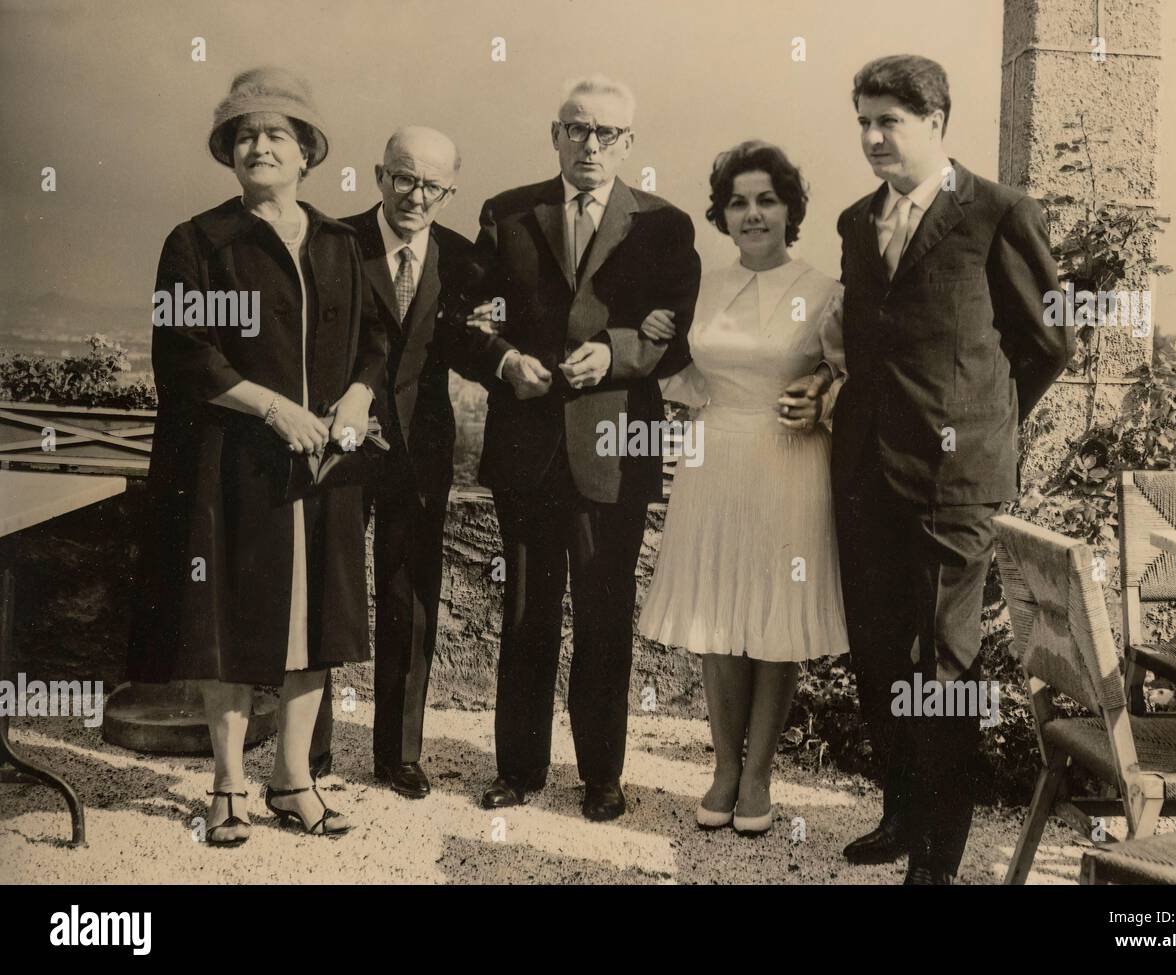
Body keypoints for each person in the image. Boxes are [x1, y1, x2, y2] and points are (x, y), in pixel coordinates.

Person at [819, 55, 1073, 882]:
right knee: (881, 653)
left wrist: (978, 428)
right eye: (863, 119)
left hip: (953, 485)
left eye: (888, 120)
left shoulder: (999, 214)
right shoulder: (858, 222)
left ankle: (937, 858)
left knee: (944, 666)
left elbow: (1050, 343)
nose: (872, 136)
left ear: (936, 121)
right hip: (861, 471)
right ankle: (899, 812)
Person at [129, 67, 386, 843]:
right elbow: (184, 353)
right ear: (228, 154)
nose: (260, 146)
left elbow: (377, 339)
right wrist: (273, 408)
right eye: (245, 135)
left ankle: (293, 780)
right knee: (232, 625)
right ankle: (229, 785)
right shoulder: (201, 241)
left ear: (307, 151)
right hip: (231, 470)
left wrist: (360, 396)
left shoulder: (341, 243)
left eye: (276, 133)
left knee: (315, 629)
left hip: (321, 472)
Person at [456, 76, 701, 821]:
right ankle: (520, 769)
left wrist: (617, 354)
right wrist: (504, 359)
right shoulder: (506, 214)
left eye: (606, 134)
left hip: (616, 446)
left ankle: (601, 775)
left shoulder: (663, 224)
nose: (590, 145)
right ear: (553, 133)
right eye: (577, 129)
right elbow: (471, 315)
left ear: (629, 143)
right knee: (528, 610)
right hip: (526, 445)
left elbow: (674, 326)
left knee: (602, 615)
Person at [638, 141, 848, 835]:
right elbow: (681, 371)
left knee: (774, 617)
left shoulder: (824, 289)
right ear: (721, 214)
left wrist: (821, 388)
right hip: (713, 455)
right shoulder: (703, 283)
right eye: (738, 202)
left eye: (766, 200)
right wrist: (656, 332)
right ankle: (724, 766)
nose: (752, 213)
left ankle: (760, 773)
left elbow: (850, 372)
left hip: (789, 459)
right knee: (717, 616)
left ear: (790, 210)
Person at [309, 127, 490, 797]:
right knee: (328, 588)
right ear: (380, 175)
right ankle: (312, 746)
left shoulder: (465, 260)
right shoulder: (334, 241)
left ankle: (398, 753)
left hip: (423, 451)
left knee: (410, 596)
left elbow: (475, 345)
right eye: (404, 178)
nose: (416, 196)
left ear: (450, 191)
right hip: (343, 442)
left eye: (433, 185)